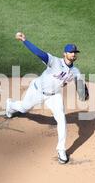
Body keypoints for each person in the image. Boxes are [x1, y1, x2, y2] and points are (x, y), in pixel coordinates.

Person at [5, 32, 88, 164]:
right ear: (64, 54)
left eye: (75, 52)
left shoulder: (75, 71)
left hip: (54, 96)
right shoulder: (55, 62)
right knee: (23, 108)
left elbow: (78, 82)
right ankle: (10, 105)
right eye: (70, 52)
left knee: (61, 119)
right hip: (37, 90)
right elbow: (40, 53)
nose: (73, 54)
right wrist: (25, 40)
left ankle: (61, 149)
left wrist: (83, 91)